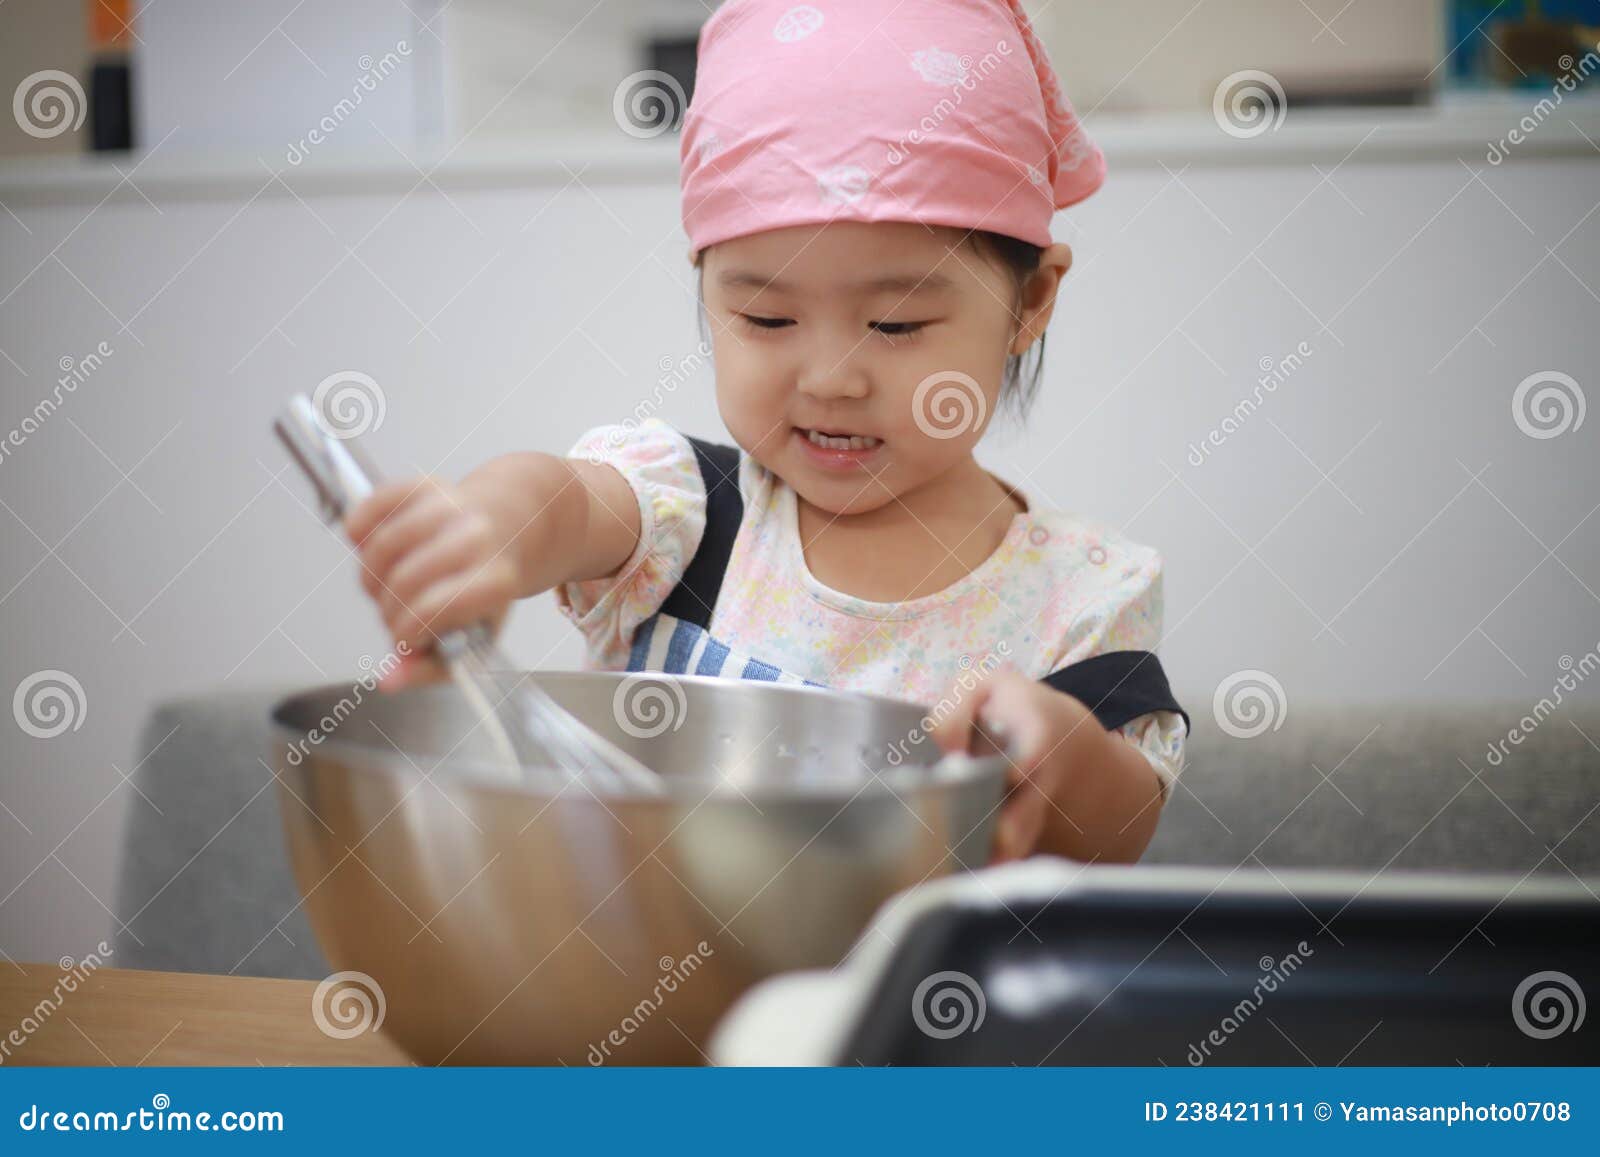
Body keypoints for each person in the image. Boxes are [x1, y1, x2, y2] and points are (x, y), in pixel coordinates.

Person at [344, 0, 1189, 865]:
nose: (830, 379)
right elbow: (561, 501)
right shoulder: (687, 515)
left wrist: (1064, 751)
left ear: (1031, 301)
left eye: (896, 324)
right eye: (767, 318)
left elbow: (1117, 833)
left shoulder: (1076, 592)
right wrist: (488, 528)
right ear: (709, 288)